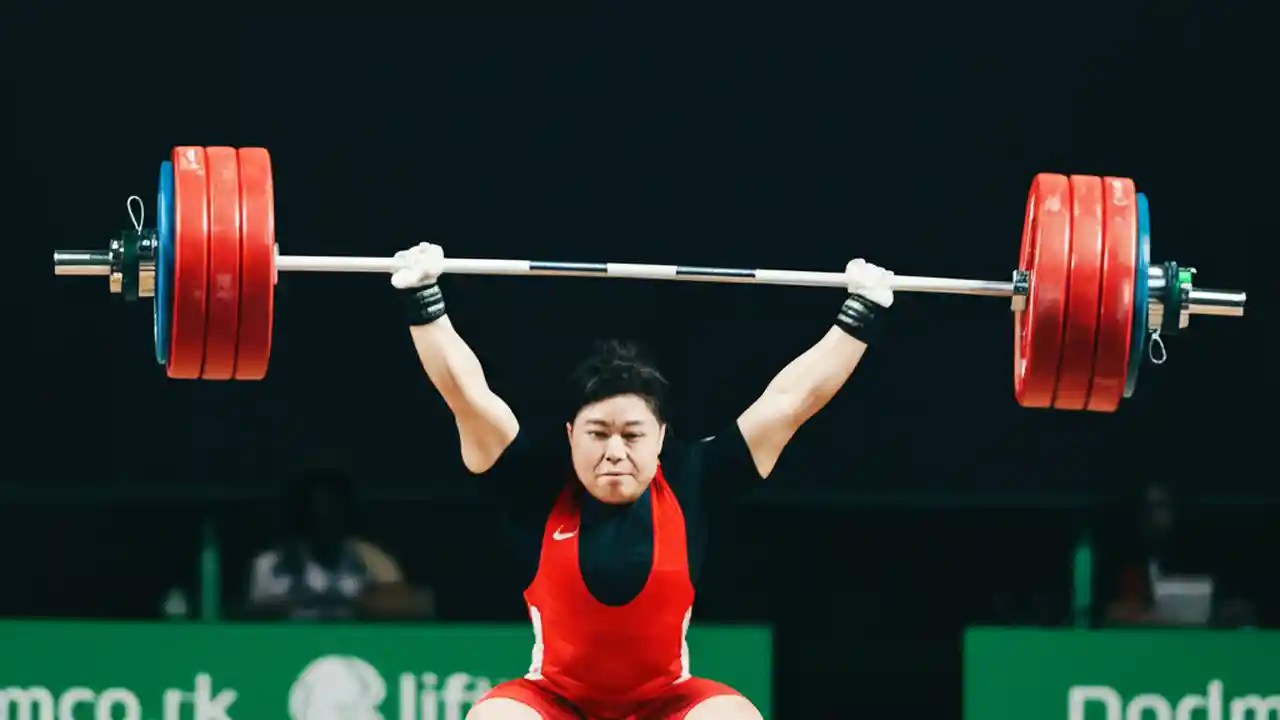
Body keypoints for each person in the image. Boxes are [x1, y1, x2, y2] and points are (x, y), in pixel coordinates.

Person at [391, 242, 893, 719]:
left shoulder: (694, 477)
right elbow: (466, 394)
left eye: (632, 434)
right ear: (571, 435)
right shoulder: (533, 484)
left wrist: (859, 315)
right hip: (554, 701)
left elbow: (792, 401)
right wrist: (424, 302)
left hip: (666, 703)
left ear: (661, 439)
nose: (615, 451)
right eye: (598, 432)